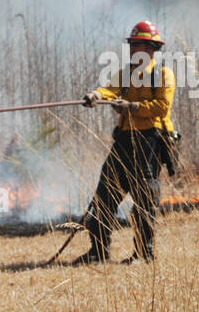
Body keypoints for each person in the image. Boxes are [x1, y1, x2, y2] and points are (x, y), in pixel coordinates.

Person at [74, 21, 176, 264]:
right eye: (133, 46)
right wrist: (96, 96)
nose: (135, 50)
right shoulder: (126, 74)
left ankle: (143, 254)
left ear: (152, 49)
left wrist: (132, 107)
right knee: (104, 196)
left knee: (143, 202)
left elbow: (163, 106)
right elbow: (110, 89)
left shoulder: (163, 74)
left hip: (150, 144)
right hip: (123, 143)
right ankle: (98, 252)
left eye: (140, 46)